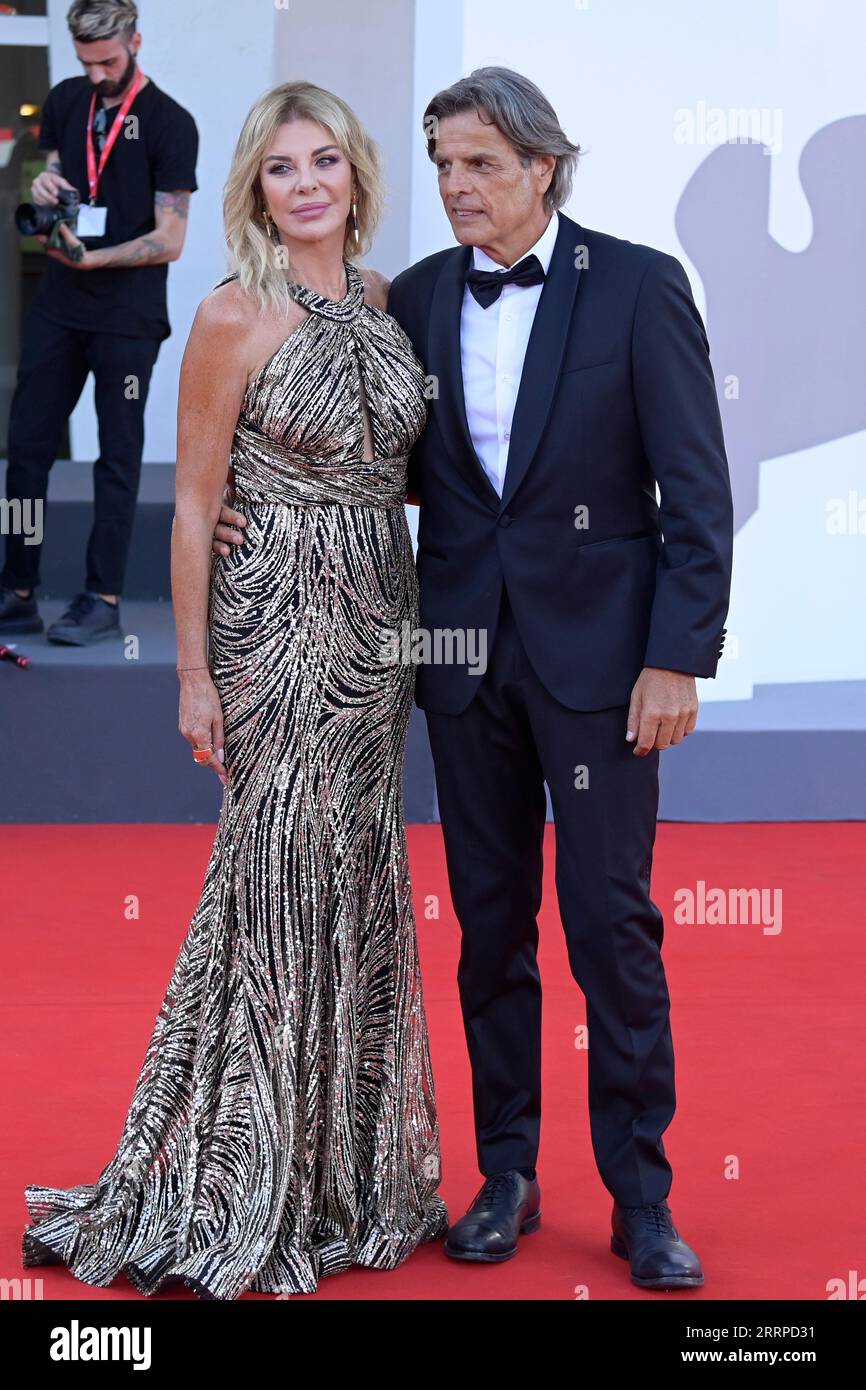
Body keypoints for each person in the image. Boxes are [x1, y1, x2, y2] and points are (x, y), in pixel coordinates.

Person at [213, 66, 735, 1291]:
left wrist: (675, 656)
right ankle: (504, 1174)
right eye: (442, 163)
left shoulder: (640, 285)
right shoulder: (419, 298)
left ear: (542, 168)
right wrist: (249, 503)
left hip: (605, 671)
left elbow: (696, 498)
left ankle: (642, 1198)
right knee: (489, 932)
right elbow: (367, 450)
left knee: (611, 927)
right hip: (455, 663)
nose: (455, 186)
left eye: (481, 165)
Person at [22, 80, 447, 1300]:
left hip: (379, 619)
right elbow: (199, 502)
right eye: (280, 168)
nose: (306, 183)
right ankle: (239, 1177)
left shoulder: (383, 303)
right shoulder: (229, 313)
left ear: (356, 176)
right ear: (253, 188)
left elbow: (396, 467)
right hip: (277, 630)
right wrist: (194, 676)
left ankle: (341, 1174)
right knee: (273, 878)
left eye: (324, 162)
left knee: (356, 871)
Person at [0, 0, 197, 646]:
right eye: (85, 62)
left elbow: (170, 238)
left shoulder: (171, 122)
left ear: (135, 42)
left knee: (117, 457)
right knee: (27, 450)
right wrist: (43, 189)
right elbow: (53, 174)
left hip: (128, 317)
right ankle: (18, 589)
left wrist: (99, 259)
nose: (95, 74)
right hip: (59, 306)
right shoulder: (65, 98)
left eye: (107, 61)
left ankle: (101, 598)